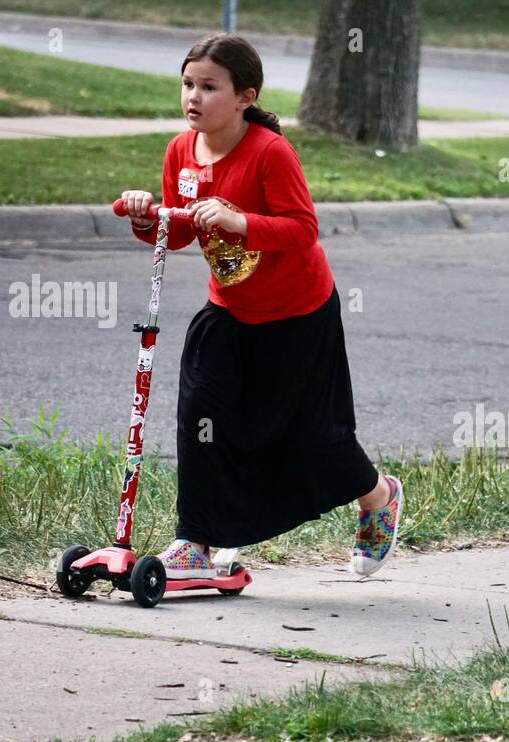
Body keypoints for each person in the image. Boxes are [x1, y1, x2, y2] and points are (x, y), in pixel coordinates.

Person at [119, 33, 402, 578]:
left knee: (317, 438)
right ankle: (195, 542)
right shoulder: (181, 150)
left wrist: (239, 222)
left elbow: (302, 231)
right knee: (200, 414)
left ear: (245, 96)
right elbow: (177, 233)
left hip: (298, 315)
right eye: (187, 84)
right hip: (227, 311)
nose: (193, 97)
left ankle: (378, 497)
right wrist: (146, 214)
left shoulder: (269, 152)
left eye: (209, 87)